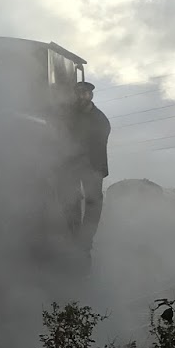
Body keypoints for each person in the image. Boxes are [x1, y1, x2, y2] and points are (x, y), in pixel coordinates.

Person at [69, 81, 111, 255]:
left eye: (84, 93)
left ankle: (86, 238)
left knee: (94, 201)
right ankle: (72, 233)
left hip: (92, 165)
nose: (81, 96)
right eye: (78, 93)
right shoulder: (68, 115)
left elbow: (99, 142)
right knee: (70, 199)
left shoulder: (100, 119)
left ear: (90, 95)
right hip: (70, 164)